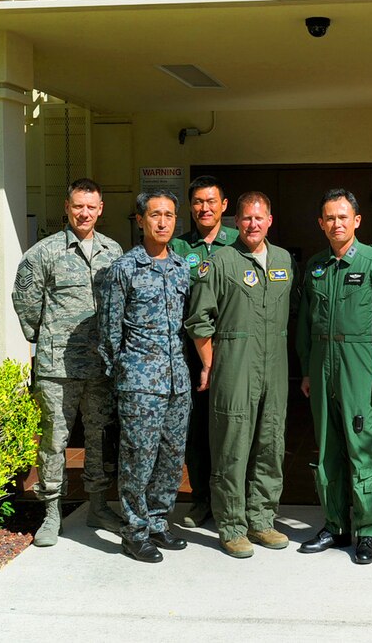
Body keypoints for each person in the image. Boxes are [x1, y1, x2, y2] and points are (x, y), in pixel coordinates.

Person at [185, 191, 298, 558]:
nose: (252, 224)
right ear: (236, 221)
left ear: (270, 220)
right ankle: (232, 525)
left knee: (271, 442)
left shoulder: (283, 260)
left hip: (274, 365)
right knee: (232, 446)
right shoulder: (220, 261)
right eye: (246, 218)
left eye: (259, 218)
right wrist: (209, 363)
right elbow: (199, 320)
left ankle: (262, 519)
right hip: (234, 364)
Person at [12, 178, 123, 547]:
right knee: (54, 441)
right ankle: (51, 512)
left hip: (100, 367)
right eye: (78, 206)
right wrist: (47, 339)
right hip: (57, 368)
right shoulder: (43, 253)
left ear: (101, 208)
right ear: (67, 206)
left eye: (91, 206)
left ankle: (97, 505)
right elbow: (26, 304)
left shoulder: (113, 252)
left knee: (99, 438)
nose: (84, 213)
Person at [296, 188, 372, 565]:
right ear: (321, 223)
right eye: (330, 217)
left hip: (360, 362)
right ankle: (336, 524)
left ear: (356, 221)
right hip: (323, 363)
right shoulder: (315, 266)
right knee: (327, 449)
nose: (336, 223)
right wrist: (308, 368)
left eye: (344, 217)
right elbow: (305, 324)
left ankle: (367, 531)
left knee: (361, 447)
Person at [98, 190, 192, 563]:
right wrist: (125, 372)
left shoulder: (182, 268)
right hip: (140, 384)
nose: (163, 222)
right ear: (140, 221)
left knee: (171, 458)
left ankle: (157, 521)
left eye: (169, 214)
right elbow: (109, 331)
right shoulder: (125, 269)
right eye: (155, 215)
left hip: (176, 382)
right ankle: (134, 531)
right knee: (138, 459)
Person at [170, 175, 239, 529]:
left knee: (232, 428)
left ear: (224, 206)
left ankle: (232, 499)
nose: (204, 208)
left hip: (233, 351)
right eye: (198, 201)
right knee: (196, 430)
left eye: (211, 201)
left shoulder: (240, 244)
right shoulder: (179, 248)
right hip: (190, 352)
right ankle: (201, 500)